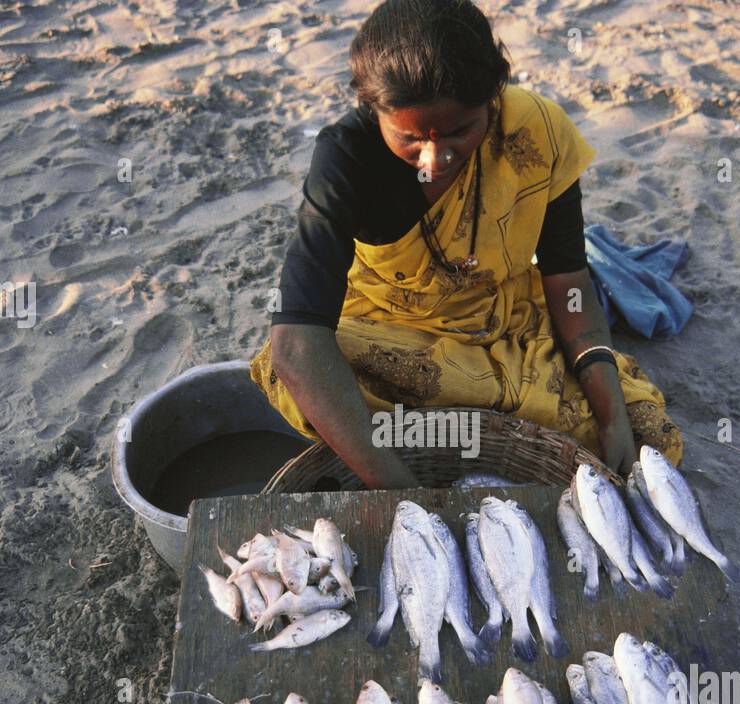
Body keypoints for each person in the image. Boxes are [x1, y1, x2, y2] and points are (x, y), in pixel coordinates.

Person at [250, 0, 683, 488]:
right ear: (375, 110)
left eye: (459, 131)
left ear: (494, 96)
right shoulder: (345, 157)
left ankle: (431, 429)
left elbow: (569, 282)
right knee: (286, 372)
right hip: (393, 331)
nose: (434, 159)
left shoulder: (537, 134)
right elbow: (297, 342)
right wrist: (407, 499)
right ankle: (438, 437)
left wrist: (611, 419)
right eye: (411, 138)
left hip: (502, 327)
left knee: (648, 437)